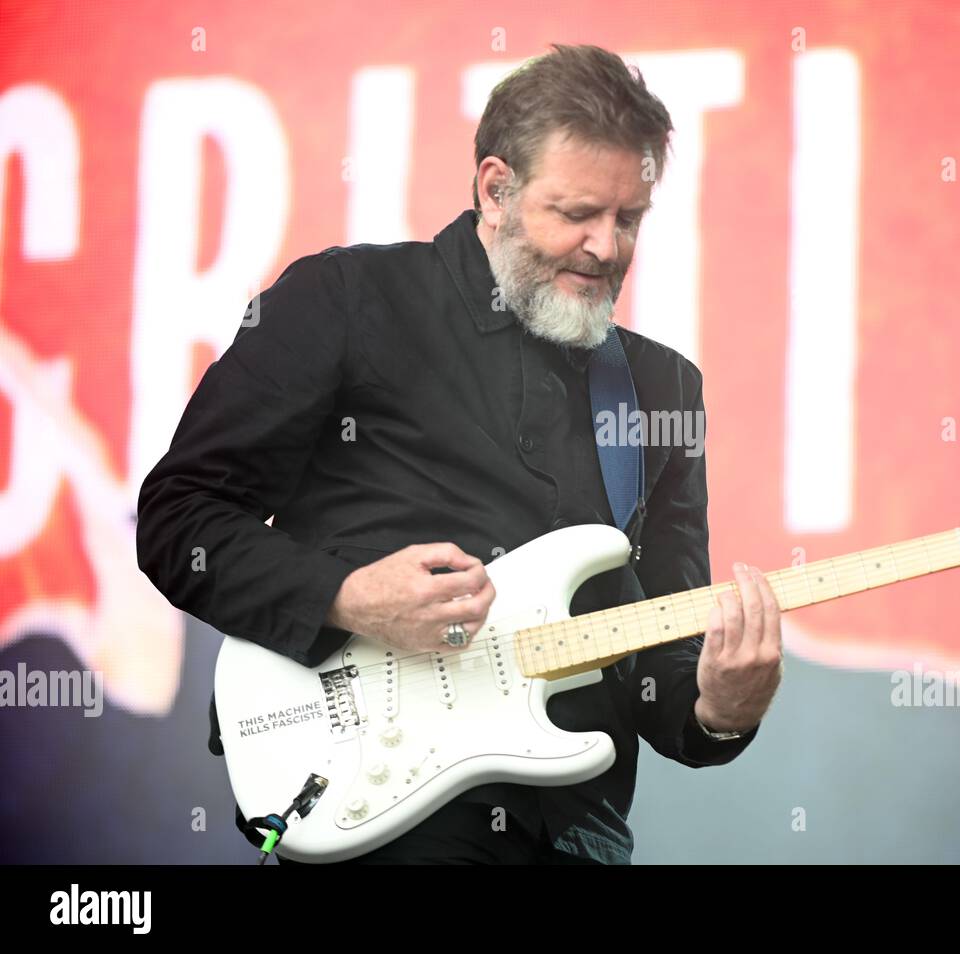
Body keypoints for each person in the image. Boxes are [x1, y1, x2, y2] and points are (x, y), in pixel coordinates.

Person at [135, 43, 782, 865]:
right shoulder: (345, 300)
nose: (606, 247)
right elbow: (177, 519)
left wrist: (721, 707)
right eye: (577, 212)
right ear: (495, 188)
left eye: (629, 219)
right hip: (379, 817)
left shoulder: (661, 389)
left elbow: (659, 666)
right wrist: (344, 595)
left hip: (574, 834)